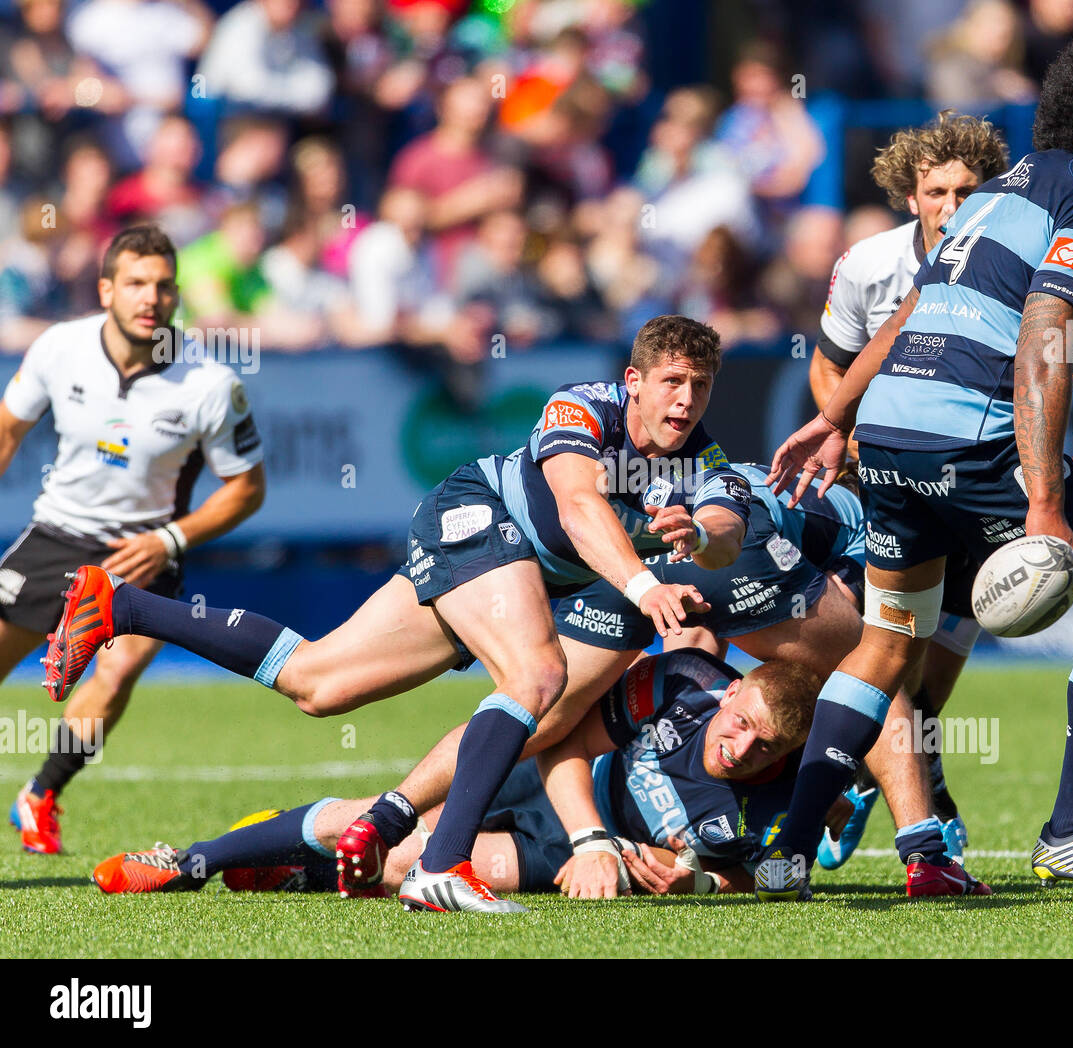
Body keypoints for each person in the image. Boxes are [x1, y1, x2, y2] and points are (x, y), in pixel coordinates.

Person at [43, 314, 753, 913]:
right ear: (634, 381)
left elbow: (726, 531)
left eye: (701, 386)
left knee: (319, 684)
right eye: (673, 381)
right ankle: (442, 867)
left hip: (520, 573)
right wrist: (643, 584)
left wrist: (700, 532)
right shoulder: (584, 406)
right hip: (477, 517)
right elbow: (576, 503)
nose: (686, 400)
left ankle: (121, 605)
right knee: (536, 673)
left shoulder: (704, 460)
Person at [758, 29, 1073, 901]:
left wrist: (836, 416)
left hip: (891, 435)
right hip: (975, 439)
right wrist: (1044, 504)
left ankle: (788, 853)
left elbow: (911, 311)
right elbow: (1044, 339)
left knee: (889, 642)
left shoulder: (998, 193)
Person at [327, 461, 985, 902]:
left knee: (540, 712)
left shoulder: (806, 477)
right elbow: (883, 674)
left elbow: (700, 644)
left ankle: (392, 816)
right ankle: (923, 855)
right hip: (736, 552)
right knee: (877, 674)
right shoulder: (883, 521)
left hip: (645, 551)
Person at [811, 111, 1073, 862]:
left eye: (967, 190)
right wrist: (846, 432)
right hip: (893, 472)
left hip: (984, 476)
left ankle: (887, 788)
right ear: (909, 197)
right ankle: (889, 796)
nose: (952, 205)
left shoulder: (1022, 244)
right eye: (936, 192)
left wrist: (1066, 504)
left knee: (928, 678)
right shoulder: (868, 266)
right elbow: (830, 363)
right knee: (886, 649)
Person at [91, 652, 826, 900]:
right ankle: (192, 860)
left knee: (405, 869)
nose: (740, 748)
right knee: (378, 823)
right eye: (740, 722)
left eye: (763, 747)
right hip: (553, 784)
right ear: (734, 690)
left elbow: (765, 881)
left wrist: (698, 882)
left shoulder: (787, 801)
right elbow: (567, 744)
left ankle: (289, 870)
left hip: (563, 852)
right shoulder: (684, 684)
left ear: (789, 755)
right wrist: (594, 839)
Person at [0, 224, 266, 854]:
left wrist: (170, 539)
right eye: (136, 283)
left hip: (144, 553)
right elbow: (6, 432)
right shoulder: (59, 348)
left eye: (164, 285)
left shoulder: (210, 384)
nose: (151, 298)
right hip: (56, 533)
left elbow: (247, 490)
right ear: (106, 290)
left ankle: (41, 794)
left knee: (115, 676)